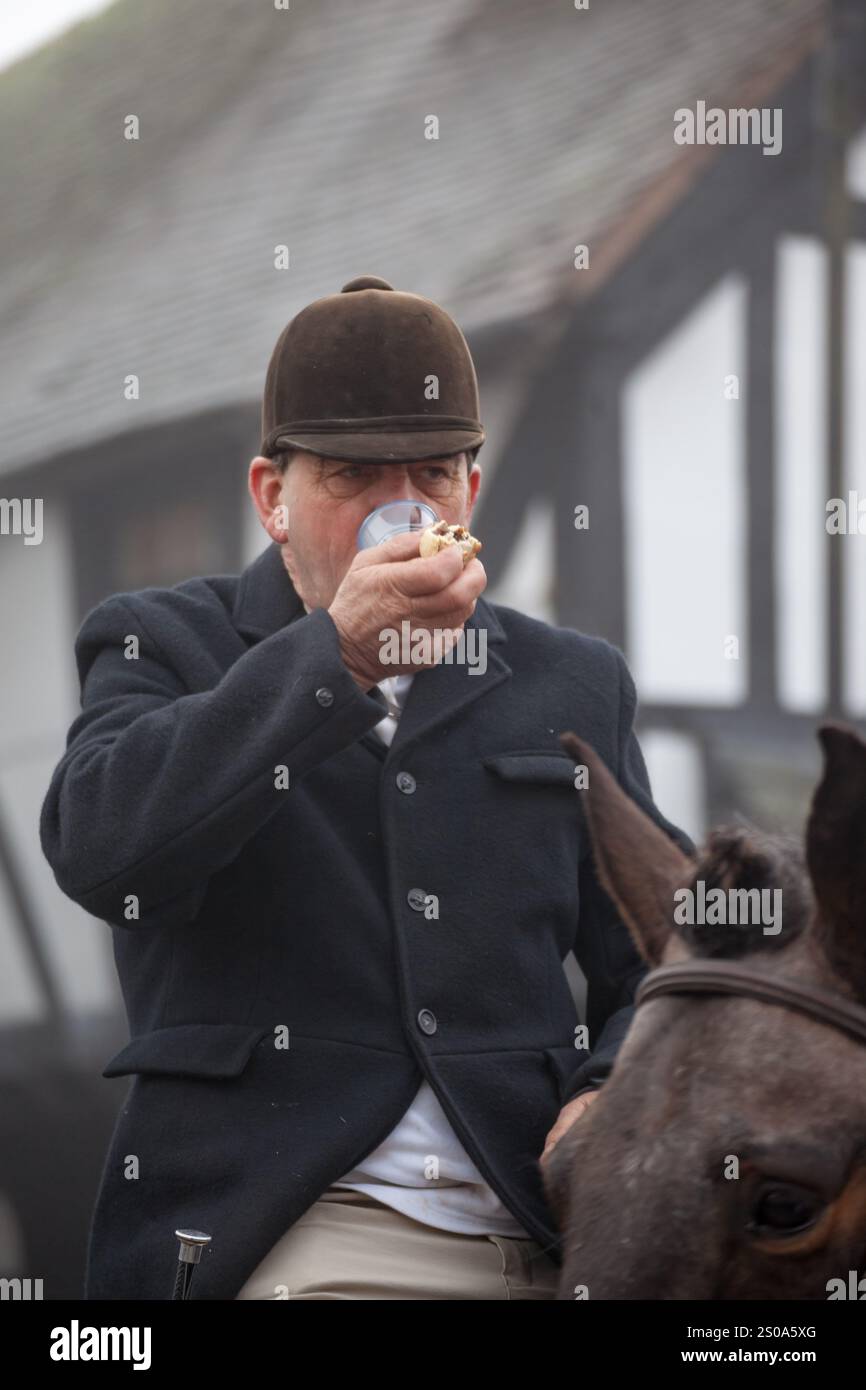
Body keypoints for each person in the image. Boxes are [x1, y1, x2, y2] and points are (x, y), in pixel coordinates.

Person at [39, 275, 691, 1300]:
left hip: (556, 1230)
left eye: (432, 472)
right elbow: (103, 849)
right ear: (271, 498)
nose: (402, 510)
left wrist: (606, 1087)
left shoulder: (572, 680)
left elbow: (663, 954)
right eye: (351, 476)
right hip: (297, 1224)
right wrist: (333, 655)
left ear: (469, 495)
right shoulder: (164, 640)